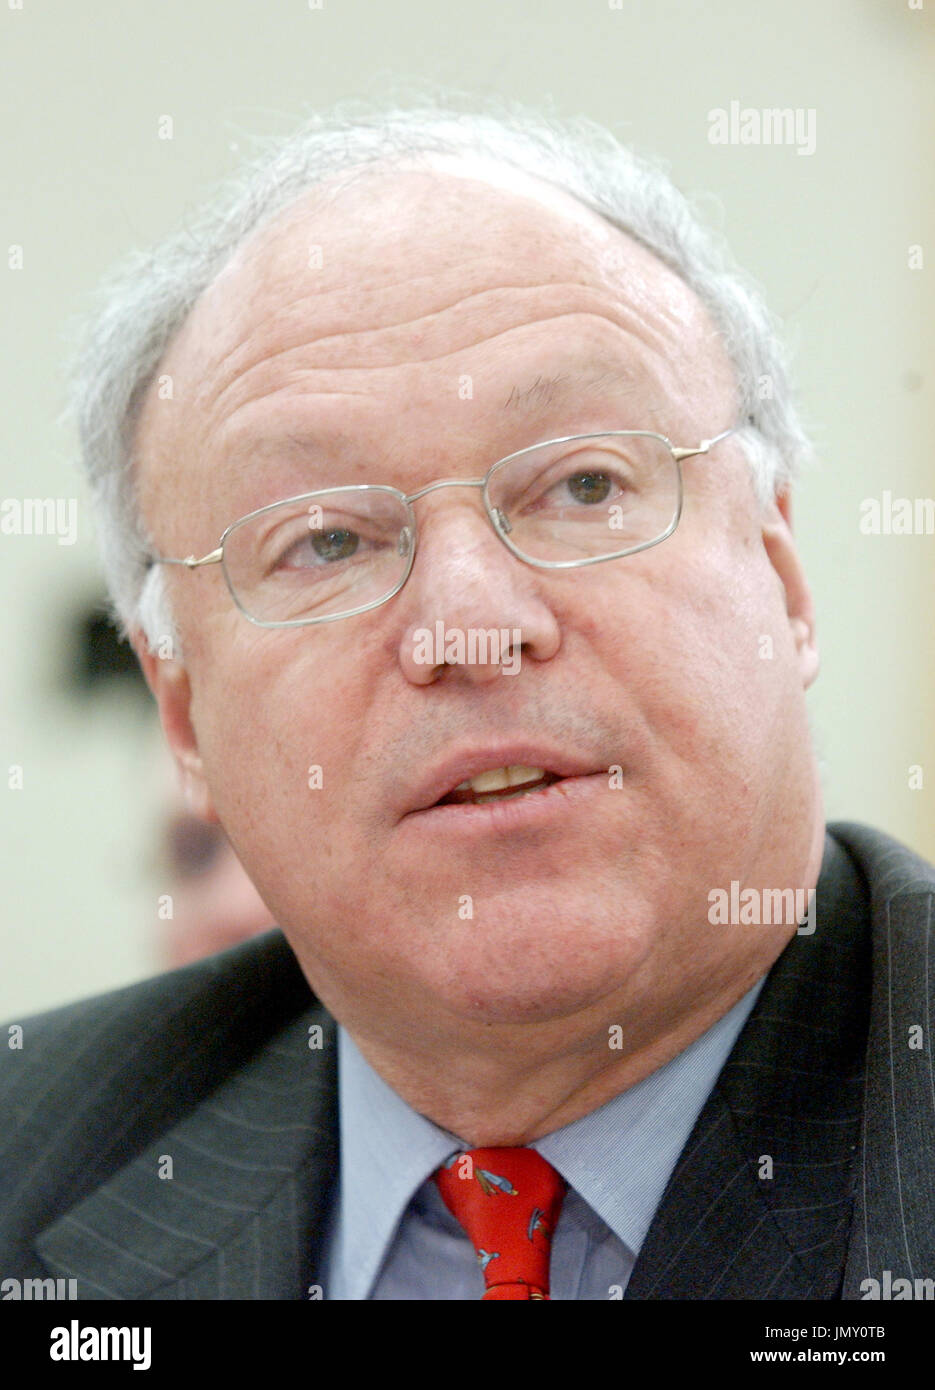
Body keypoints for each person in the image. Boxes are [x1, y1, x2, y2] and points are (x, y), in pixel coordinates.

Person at [2, 103, 933, 1302]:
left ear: (780, 572)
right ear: (181, 715)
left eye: (583, 483)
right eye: (325, 540)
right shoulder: (39, 1158)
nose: (468, 625)